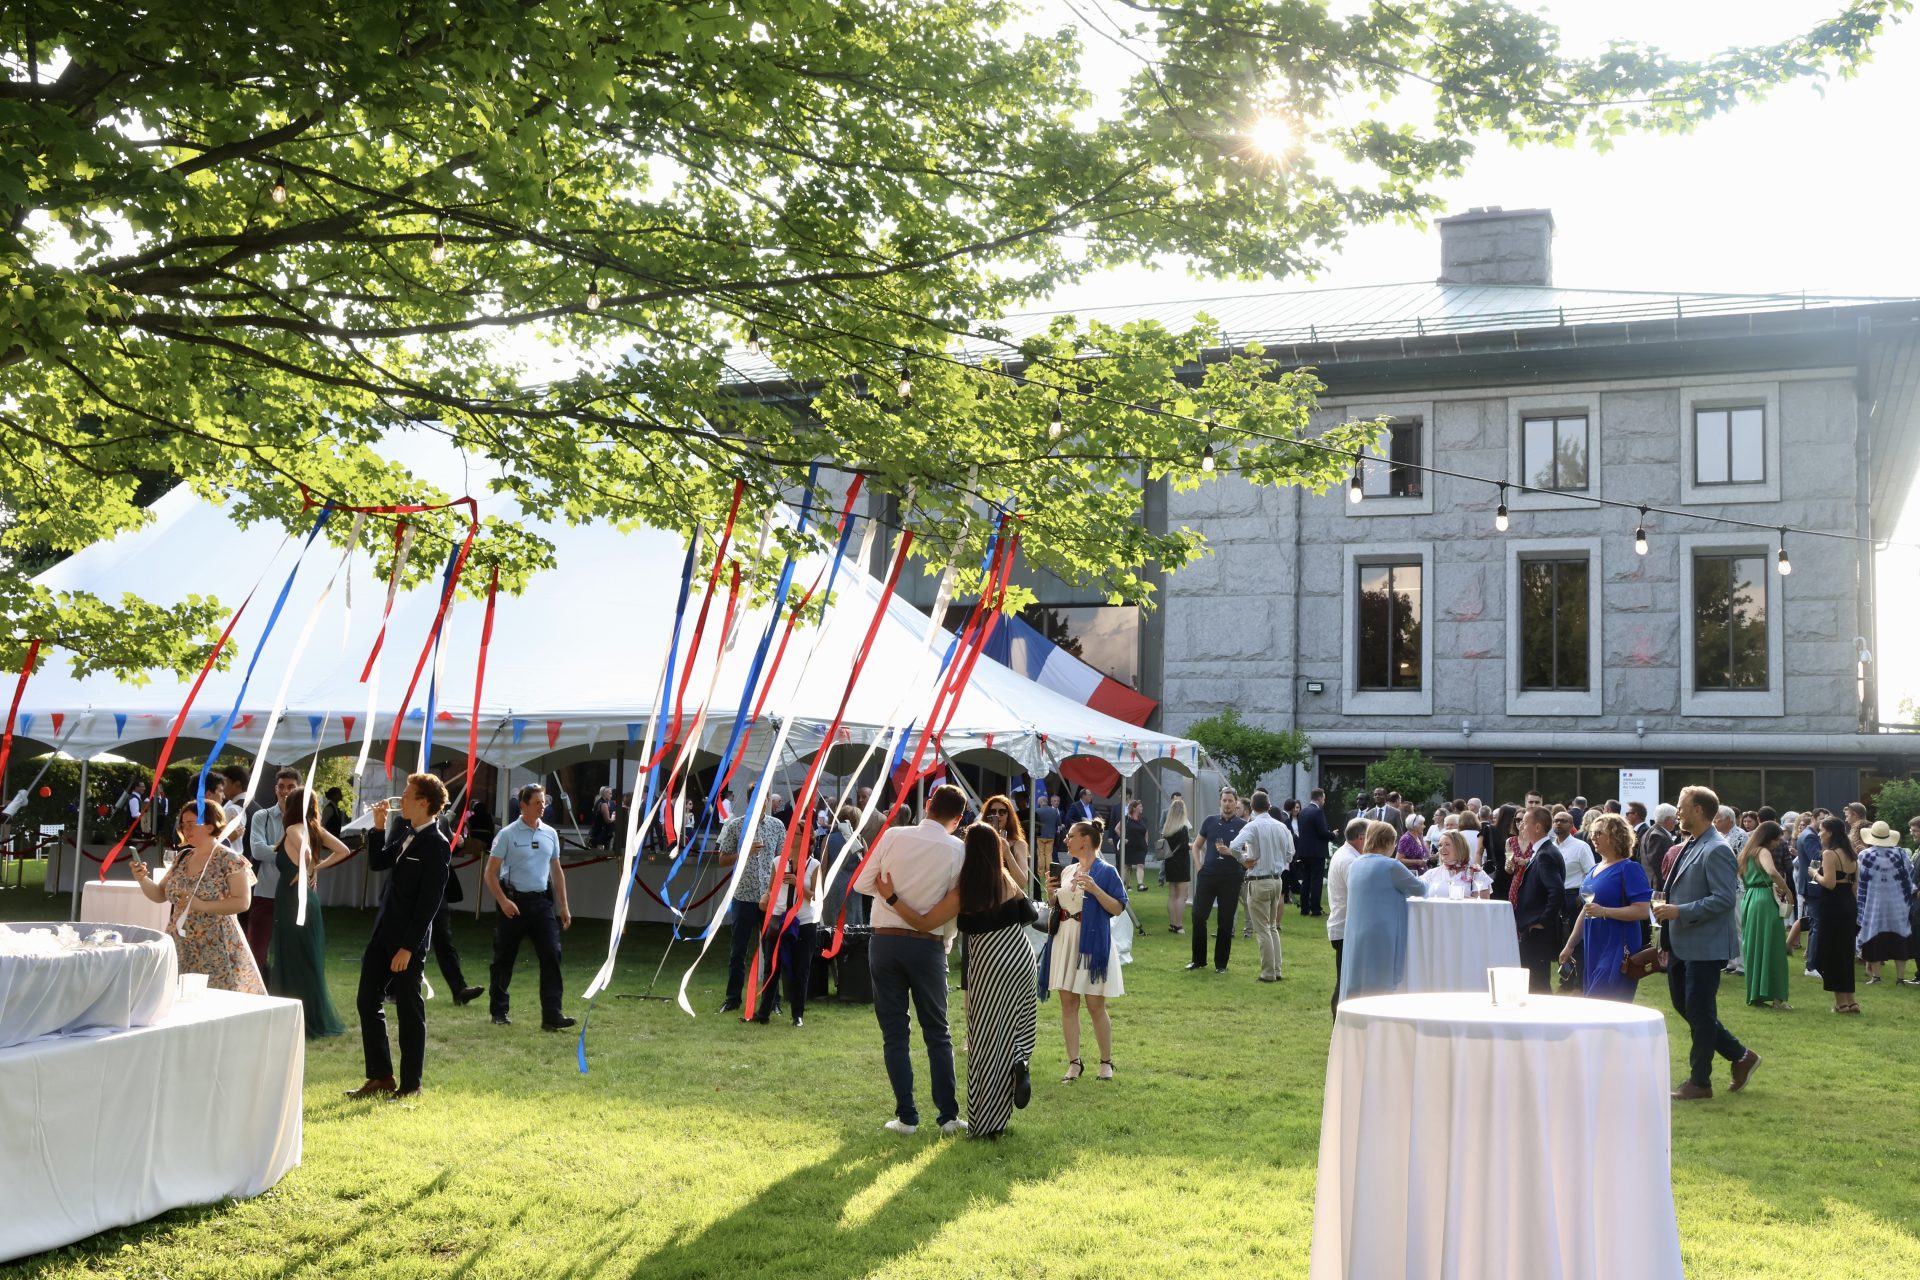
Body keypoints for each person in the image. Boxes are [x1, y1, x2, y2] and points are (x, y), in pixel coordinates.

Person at [880, 823, 1038, 1137]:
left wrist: (892, 898)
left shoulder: (965, 889)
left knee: (985, 1039)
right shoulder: (1005, 879)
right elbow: (1029, 914)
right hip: (1021, 955)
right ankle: (1019, 1059)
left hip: (989, 962)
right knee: (1014, 1027)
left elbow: (925, 923)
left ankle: (986, 1124)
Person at [852, 783, 968, 1136]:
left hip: (886, 940)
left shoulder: (893, 836)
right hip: (928, 944)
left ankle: (906, 1115)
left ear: (929, 804)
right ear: (958, 818)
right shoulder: (958, 850)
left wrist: (891, 897)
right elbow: (953, 905)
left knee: (895, 1032)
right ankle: (947, 1115)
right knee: (937, 1031)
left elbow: (861, 883)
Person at [346, 773, 453, 1100]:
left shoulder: (436, 843)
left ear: (423, 802)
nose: (400, 799)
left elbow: (429, 903)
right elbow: (379, 862)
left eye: (406, 795)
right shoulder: (405, 831)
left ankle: (411, 1085)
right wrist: (378, 826)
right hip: (383, 933)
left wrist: (408, 947)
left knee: (408, 1009)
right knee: (367, 1000)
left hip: (409, 940)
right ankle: (381, 1076)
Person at [1656, 785, 1760, 1099]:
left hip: (1704, 944)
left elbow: (1724, 900)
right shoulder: (1691, 842)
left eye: (1682, 806)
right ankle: (1741, 1055)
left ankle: (1700, 1082)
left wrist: (1679, 911)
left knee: (1700, 1013)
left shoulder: (1716, 848)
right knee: (1685, 1006)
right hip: (1680, 942)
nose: (1678, 811)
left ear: (1699, 810)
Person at [129, 799, 266, 995]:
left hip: (215, 945)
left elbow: (242, 902)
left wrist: (203, 905)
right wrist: (142, 879)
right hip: (181, 943)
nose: (186, 829)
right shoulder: (182, 857)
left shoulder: (229, 859)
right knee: (176, 998)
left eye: (192, 824)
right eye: (183, 825)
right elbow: (160, 894)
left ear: (211, 825)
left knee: (216, 1001)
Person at [483, 783, 575, 1031]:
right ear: (523, 805)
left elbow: (556, 871)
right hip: (513, 902)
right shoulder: (507, 834)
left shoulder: (550, 833)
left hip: (541, 903)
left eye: (544, 802)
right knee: (504, 957)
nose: (542, 806)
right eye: (537, 802)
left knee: (552, 955)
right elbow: (490, 873)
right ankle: (499, 1010)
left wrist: (564, 906)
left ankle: (552, 1015)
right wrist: (503, 901)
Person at [1042, 818, 1128, 1081]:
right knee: (1068, 1003)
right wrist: (1050, 892)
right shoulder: (1068, 871)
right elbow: (1057, 905)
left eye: (1071, 836)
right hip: (1065, 940)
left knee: (1094, 1004)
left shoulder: (1106, 871)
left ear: (1085, 840)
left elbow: (1117, 908)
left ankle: (1106, 1062)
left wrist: (1094, 888)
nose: (1066, 840)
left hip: (1091, 941)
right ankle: (1074, 1063)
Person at [269, 785, 354, 1037]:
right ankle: (305, 1015)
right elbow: (344, 850)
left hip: (293, 899)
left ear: (292, 806)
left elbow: (305, 852)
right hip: (308, 898)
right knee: (306, 957)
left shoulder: (293, 829)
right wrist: (316, 868)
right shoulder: (315, 828)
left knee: (294, 956)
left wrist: (308, 869)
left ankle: (298, 1019)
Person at [1557, 813, 1651, 1001]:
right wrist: (1569, 946)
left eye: (1599, 833)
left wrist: (1605, 912)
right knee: (1596, 1002)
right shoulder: (1594, 869)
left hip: (1618, 946)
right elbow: (1586, 910)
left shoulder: (1629, 869)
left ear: (1616, 837)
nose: (1593, 837)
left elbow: (1641, 910)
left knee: (1604, 1000)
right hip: (1594, 944)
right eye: (1593, 832)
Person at [1336, 821, 1425, 1001]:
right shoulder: (1391, 866)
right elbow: (1420, 888)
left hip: (1356, 929)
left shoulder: (1355, 864)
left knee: (1357, 979)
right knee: (1379, 984)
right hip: (1382, 930)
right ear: (1387, 842)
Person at [714, 800, 788, 1016]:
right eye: (759, 799)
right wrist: (744, 854)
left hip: (768, 897)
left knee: (771, 950)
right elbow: (722, 859)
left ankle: (773, 1000)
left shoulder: (777, 826)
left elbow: (782, 858)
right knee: (738, 950)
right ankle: (732, 998)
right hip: (743, 896)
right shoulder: (736, 825)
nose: (762, 804)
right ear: (751, 800)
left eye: (765, 800)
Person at [244, 767, 301, 984]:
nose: (285, 791)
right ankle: (259, 991)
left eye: (290, 787)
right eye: (281, 786)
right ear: (275, 788)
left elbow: (311, 855)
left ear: (298, 789)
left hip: (295, 895)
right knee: (256, 952)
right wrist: (291, 852)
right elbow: (257, 850)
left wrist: (275, 851)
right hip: (265, 893)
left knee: (291, 954)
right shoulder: (262, 816)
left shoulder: (307, 818)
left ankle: (285, 993)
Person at [1229, 793, 1294, 982]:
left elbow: (1234, 846)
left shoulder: (1252, 826)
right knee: (1272, 927)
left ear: (1252, 808)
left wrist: (1244, 861)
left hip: (1259, 880)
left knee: (1263, 929)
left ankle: (1267, 973)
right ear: (1269, 805)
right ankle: (1277, 969)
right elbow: (1290, 854)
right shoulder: (1282, 826)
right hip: (1277, 880)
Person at [1510, 805, 1568, 994]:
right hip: (1532, 927)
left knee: (1538, 983)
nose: (1521, 827)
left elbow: (1557, 891)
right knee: (1532, 980)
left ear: (1537, 827)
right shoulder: (1541, 851)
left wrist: (1543, 921)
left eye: (1525, 823)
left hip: (1538, 931)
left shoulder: (1545, 855)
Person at [1186, 789, 1246, 973]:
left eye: (1230, 801)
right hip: (1208, 876)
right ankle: (1198, 960)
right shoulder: (1209, 821)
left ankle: (1221, 965)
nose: (1227, 804)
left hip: (1231, 877)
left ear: (1236, 803)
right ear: (1219, 802)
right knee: (1198, 915)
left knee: (1225, 921)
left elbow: (1248, 853)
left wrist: (1233, 854)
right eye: (1224, 800)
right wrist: (1199, 867)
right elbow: (1196, 846)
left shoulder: (1243, 825)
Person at [1737, 820, 1794, 1009]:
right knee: (1774, 946)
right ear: (1768, 838)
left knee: (1754, 946)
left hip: (1751, 897)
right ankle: (1778, 997)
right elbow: (1772, 872)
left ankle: (1757, 994)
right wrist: (1787, 890)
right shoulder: (1763, 851)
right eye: (1776, 839)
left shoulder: (1747, 853)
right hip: (1763, 900)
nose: (1778, 843)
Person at [1855, 820, 1916, 986]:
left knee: (1873, 936)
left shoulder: (1865, 856)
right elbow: (1909, 877)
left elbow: (1860, 882)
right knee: (1900, 938)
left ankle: (1876, 977)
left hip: (1874, 905)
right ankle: (1900, 978)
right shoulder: (1901, 854)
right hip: (1898, 904)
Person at [1811, 815, 1860, 1013]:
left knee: (1831, 953)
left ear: (1830, 832)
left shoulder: (1830, 854)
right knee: (1845, 953)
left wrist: (1814, 873)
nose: (1819, 833)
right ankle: (1851, 1000)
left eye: (1822, 830)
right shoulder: (1851, 853)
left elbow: (1829, 883)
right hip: (1848, 903)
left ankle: (1841, 1003)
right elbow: (1854, 885)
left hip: (1832, 905)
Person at [1326, 817, 1368, 1013]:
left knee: (1347, 981)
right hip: (1345, 928)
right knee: (1345, 983)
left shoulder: (1346, 854)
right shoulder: (1351, 860)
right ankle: (1339, 1027)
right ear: (1361, 837)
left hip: (1342, 926)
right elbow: (1358, 896)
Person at [980, 795, 1031, 892]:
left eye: (1002, 812)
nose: (997, 815)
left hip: (1008, 900)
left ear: (1009, 815)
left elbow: (1022, 883)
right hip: (983, 898)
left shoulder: (1018, 844)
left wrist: (1007, 853)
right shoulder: (979, 841)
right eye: (992, 812)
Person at [1294, 788, 1333, 918]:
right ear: (1320, 798)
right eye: (1324, 799)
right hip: (1317, 852)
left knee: (1306, 880)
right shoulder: (1317, 812)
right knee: (1316, 881)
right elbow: (1322, 832)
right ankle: (1315, 909)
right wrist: (1333, 834)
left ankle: (1304, 908)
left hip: (1304, 852)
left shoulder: (1303, 812)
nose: (1324, 801)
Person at [1420, 830, 1491, 898]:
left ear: (1460, 847)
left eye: (1447, 844)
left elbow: (1482, 906)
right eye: (1440, 845)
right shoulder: (1431, 874)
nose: (1442, 849)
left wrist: (1458, 899)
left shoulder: (1477, 874)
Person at [1161, 795, 1193, 933]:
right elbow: (1185, 846)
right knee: (1182, 895)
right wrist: (1193, 845)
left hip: (1170, 861)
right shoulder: (1183, 828)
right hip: (1181, 862)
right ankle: (1178, 925)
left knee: (1172, 894)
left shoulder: (1167, 828)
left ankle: (1172, 924)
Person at [1119, 798, 1150, 891]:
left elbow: (1146, 831)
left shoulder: (1143, 819)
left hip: (1140, 846)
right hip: (1129, 846)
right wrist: (1123, 838)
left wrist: (1146, 842)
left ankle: (1140, 884)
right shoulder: (1126, 818)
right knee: (1127, 866)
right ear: (1134, 808)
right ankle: (1128, 885)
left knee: (1140, 865)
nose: (1142, 808)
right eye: (1140, 806)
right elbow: (1117, 828)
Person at [1032, 792, 1060, 867]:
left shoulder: (1037, 811)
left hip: (1040, 836)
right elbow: (1058, 824)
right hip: (1051, 836)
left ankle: (1041, 872)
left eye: (1038, 803)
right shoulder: (1054, 811)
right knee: (1049, 855)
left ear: (1041, 802)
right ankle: (1048, 871)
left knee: (1041, 854)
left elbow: (1034, 824)